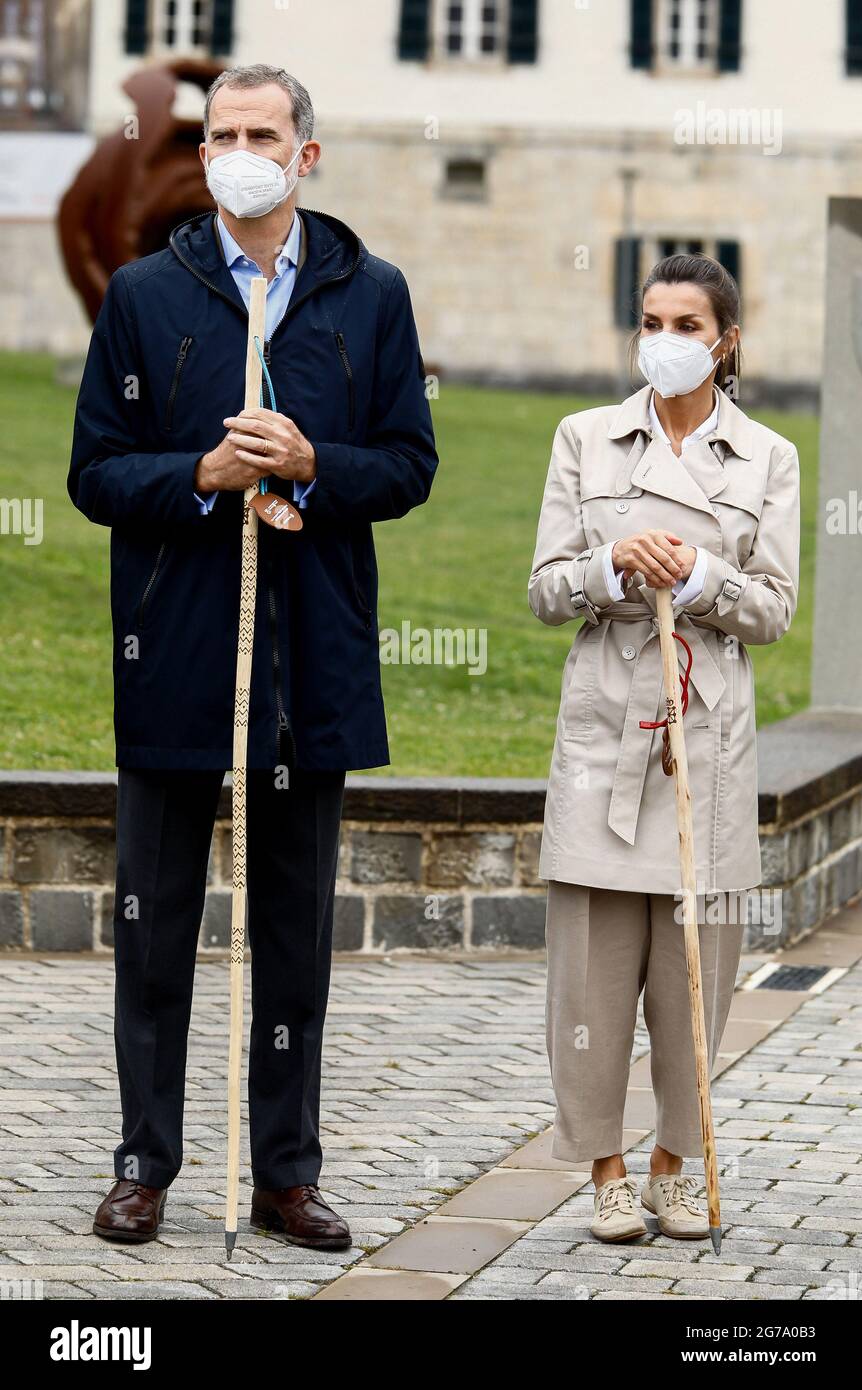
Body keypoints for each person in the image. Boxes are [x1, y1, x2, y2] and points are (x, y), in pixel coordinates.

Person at [68, 64, 438, 1249]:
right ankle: (143, 1162)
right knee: (154, 926)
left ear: (303, 155)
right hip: (176, 651)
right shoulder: (144, 294)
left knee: (292, 935)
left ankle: (286, 1171)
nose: (236, 149)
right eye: (221, 131)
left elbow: (409, 463)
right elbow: (94, 473)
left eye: (259, 133)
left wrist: (312, 460)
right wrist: (202, 476)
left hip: (306, 661)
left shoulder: (368, 294)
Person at [528, 254, 799, 1243]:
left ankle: (672, 1164)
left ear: (723, 341)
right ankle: (601, 1168)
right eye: (651, 319)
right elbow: (545, 587)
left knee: (695, 979)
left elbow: (771, 609)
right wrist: (608, 562)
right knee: (591, 981)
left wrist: (694, 577)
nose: (665, 339)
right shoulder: (583, 438)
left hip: (705, 746)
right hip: (604, 735)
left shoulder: (766, 458)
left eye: (687, 324)